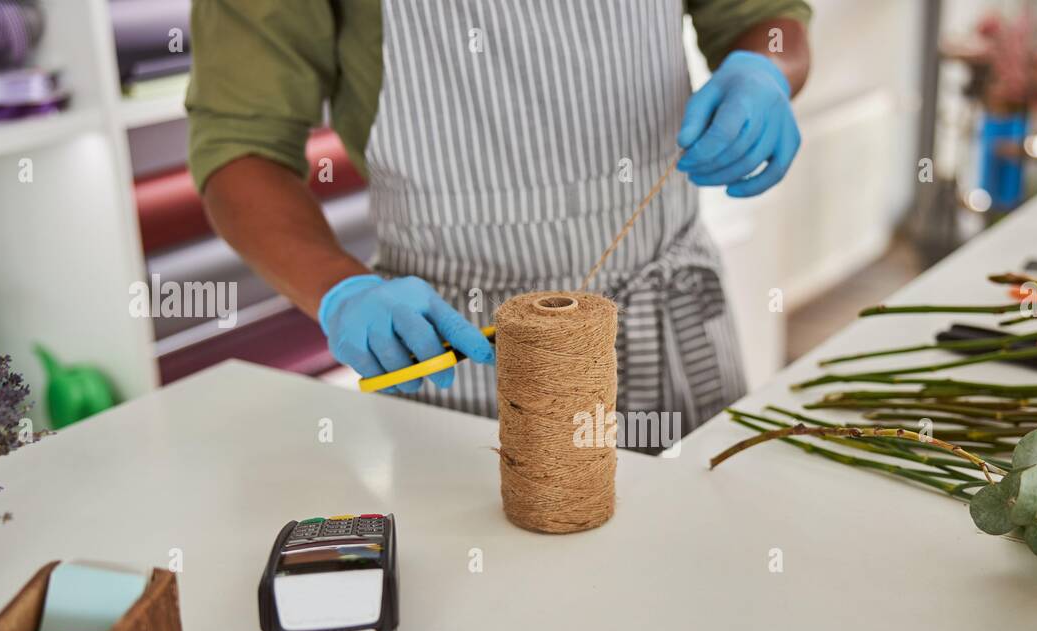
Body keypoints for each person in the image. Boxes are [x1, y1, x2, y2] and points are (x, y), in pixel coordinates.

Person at [188, 0, 811, 437]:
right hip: (458, 355)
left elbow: (764, 18)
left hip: (671, 326)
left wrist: (766, 70)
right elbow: (241, 145)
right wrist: (341, 291)